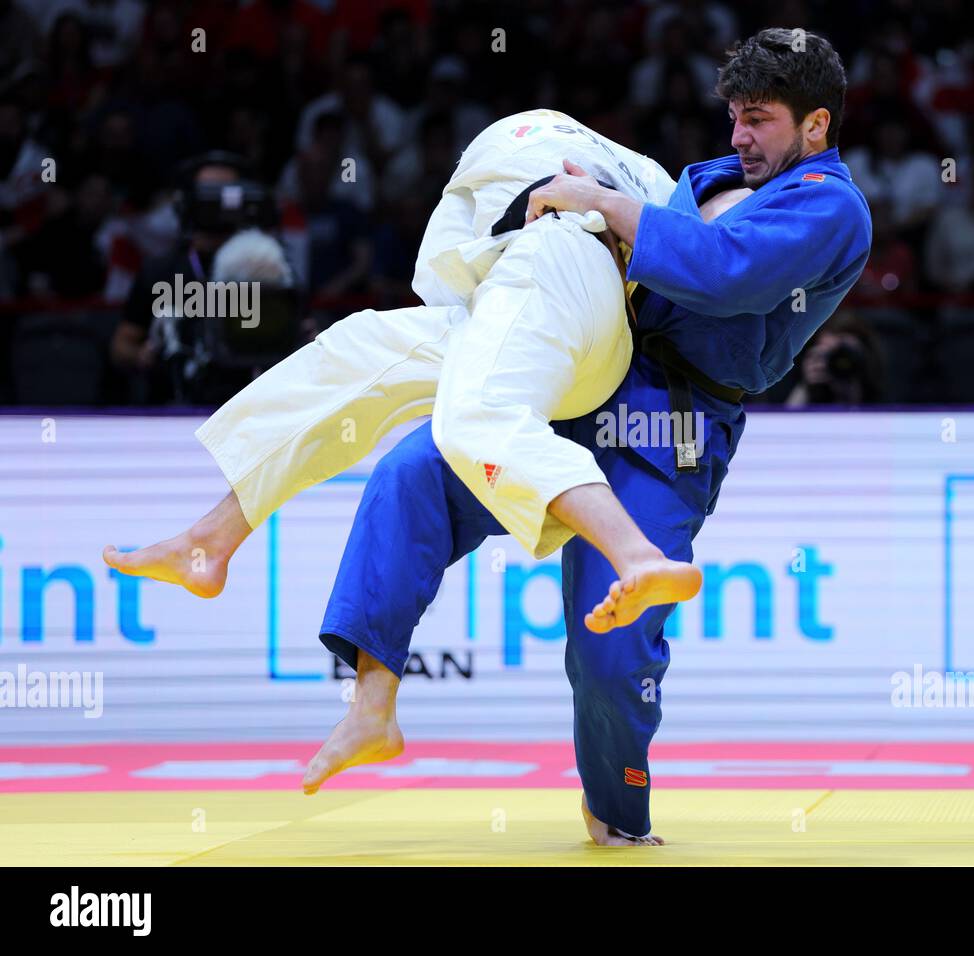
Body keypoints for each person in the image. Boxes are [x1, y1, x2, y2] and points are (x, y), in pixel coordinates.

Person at [301, 29, 872, 845]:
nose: (740, 136)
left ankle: (617, 814)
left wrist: (606, 206)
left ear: (816, 126)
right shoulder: (707, 177)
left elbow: (725, 270)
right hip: (592, 375)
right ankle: (373, 702)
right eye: (736, 116)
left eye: (761, 119)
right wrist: (585, 214)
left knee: (609, 649)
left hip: (670, 425)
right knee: (415, 472)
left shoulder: (832, 206)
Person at [104, 108, 703, 633]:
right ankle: (213, 538)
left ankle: (636, 555)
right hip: (564, 329)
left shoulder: (544, 164)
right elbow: (687, 254)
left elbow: (446, 280)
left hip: (560, 258)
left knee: (475, 415)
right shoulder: (642, 172)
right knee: (358, 352)